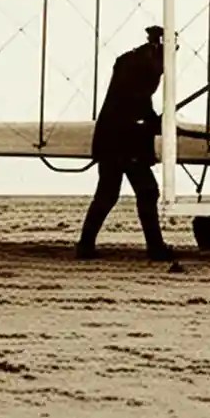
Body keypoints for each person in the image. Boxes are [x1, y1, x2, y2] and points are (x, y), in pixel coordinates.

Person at [75, 25, 175, 261]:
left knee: (108, 193)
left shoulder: (131, 63)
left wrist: (151, 120)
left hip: (113, 139)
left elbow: (138, 102)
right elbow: (136, 103)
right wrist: (154, 122)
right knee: (147, 191)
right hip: (125, 141)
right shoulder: (142, 68)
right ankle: (155, 248)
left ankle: (85, 245)